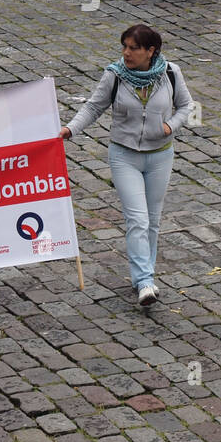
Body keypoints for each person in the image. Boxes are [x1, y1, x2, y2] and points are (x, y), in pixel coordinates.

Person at [60, 24, 193, 306]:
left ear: (151, 51)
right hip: (124, 156)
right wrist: (70, 130)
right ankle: (145, 281)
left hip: (160, 155)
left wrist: (171, 125)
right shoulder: (115, 75)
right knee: (138, 219)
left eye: (134, 48)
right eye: (125, 47)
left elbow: (186, 106)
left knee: (153, 221)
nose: (126, 53)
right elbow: (93, 107)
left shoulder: (171, 73)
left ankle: (145, 276)